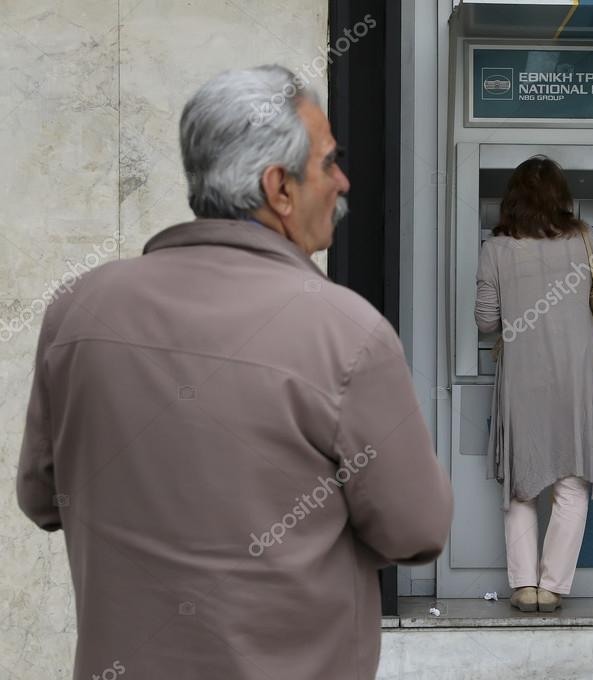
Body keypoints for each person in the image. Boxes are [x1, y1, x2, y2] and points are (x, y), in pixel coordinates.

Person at [16, 65, 453, 680]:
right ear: (279, 188)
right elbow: (416, 530)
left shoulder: (78, 310)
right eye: (329, 163)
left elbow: (40, 498)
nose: (343, 181)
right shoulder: (348, 334)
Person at [475, 156, 593, 613]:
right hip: (578, 371)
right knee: (572, 482)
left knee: (522, 481)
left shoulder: (496, 248)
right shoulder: (585, 237)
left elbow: (485, 320)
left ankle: (523, 587)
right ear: (562, 198)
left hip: (523, 373)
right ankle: (553, 586)